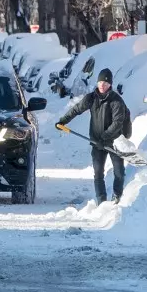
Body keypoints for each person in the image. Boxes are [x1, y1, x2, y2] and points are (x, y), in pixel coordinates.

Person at [56, 68, 129, 204]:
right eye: (100, 82)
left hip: (114, 142)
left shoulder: (116, 101)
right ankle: (101, 201)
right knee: (98, 174)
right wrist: (63, 120)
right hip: (97, 143)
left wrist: (105, 138)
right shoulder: (91, 98)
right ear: (97, 83)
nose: (102, 85)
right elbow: (76, 109)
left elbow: (117, 122)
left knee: (119, 173)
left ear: (110, 85)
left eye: (105, 83)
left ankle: (117, 197)